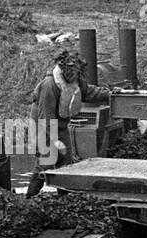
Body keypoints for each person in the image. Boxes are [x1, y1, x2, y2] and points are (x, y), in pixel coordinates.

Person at [25, 49, 111, 198]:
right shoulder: (49, 85)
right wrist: (54, 140)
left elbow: (88, 93)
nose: (75, 76)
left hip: (60, 124)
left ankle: (64, 197)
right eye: (73, 72)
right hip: (42, 126)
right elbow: (46, 116)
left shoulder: (75, 79)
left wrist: (108, 93)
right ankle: (29, 197)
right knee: (46, 161)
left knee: (66, 161)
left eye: (78, 73)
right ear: (64, 70)